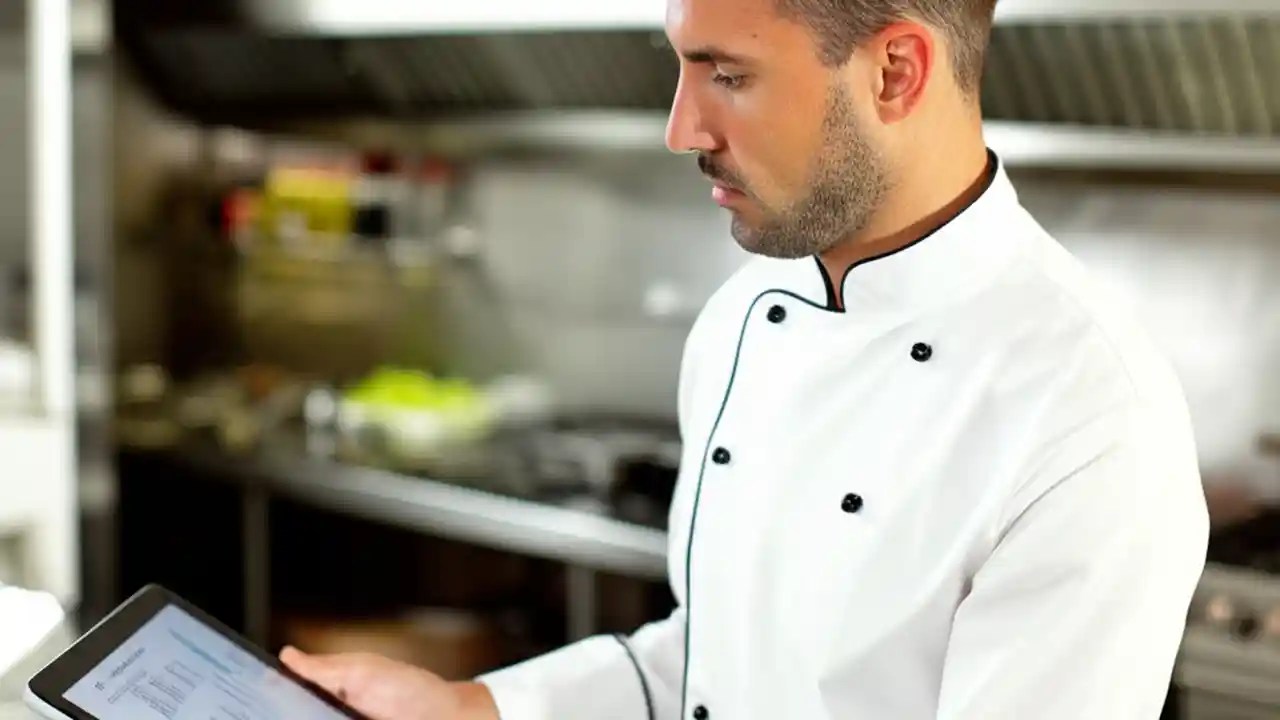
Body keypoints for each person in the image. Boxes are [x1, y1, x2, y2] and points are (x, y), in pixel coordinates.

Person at [283, 0, 1210, 717]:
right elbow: (718, 663)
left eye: (726, 74)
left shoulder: (1090, 423)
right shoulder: (738, 322)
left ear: (895, 72)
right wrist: (475, 705)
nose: (681, 129)